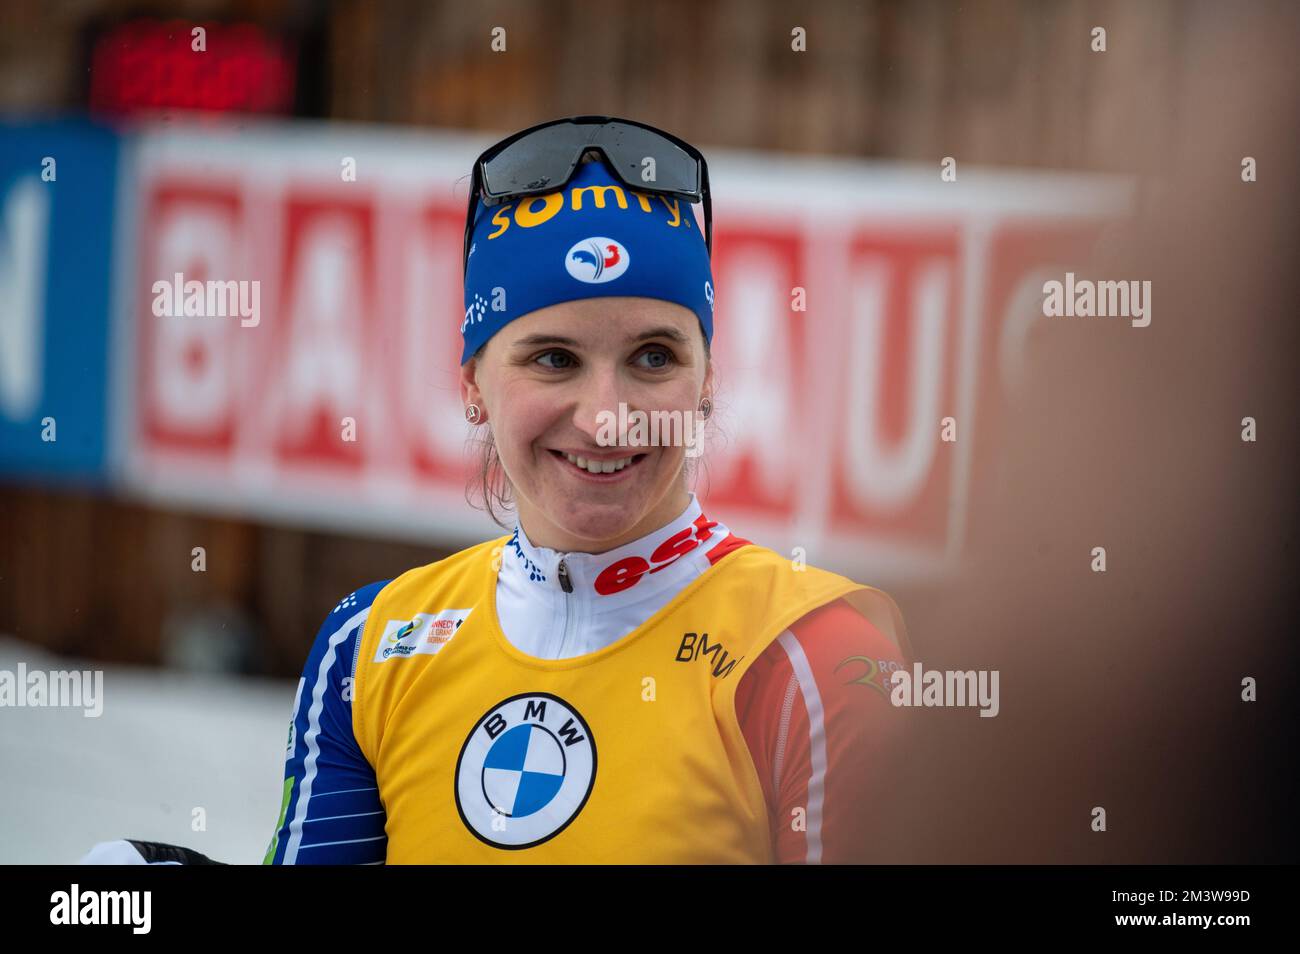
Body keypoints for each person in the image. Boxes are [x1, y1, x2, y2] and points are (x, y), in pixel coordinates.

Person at [84, 116, 911, 866]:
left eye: (654, 357)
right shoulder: (373, 646)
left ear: (708, 380)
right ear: (473, 382)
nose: (607, 417)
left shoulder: (813, 655)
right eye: (553, 358)